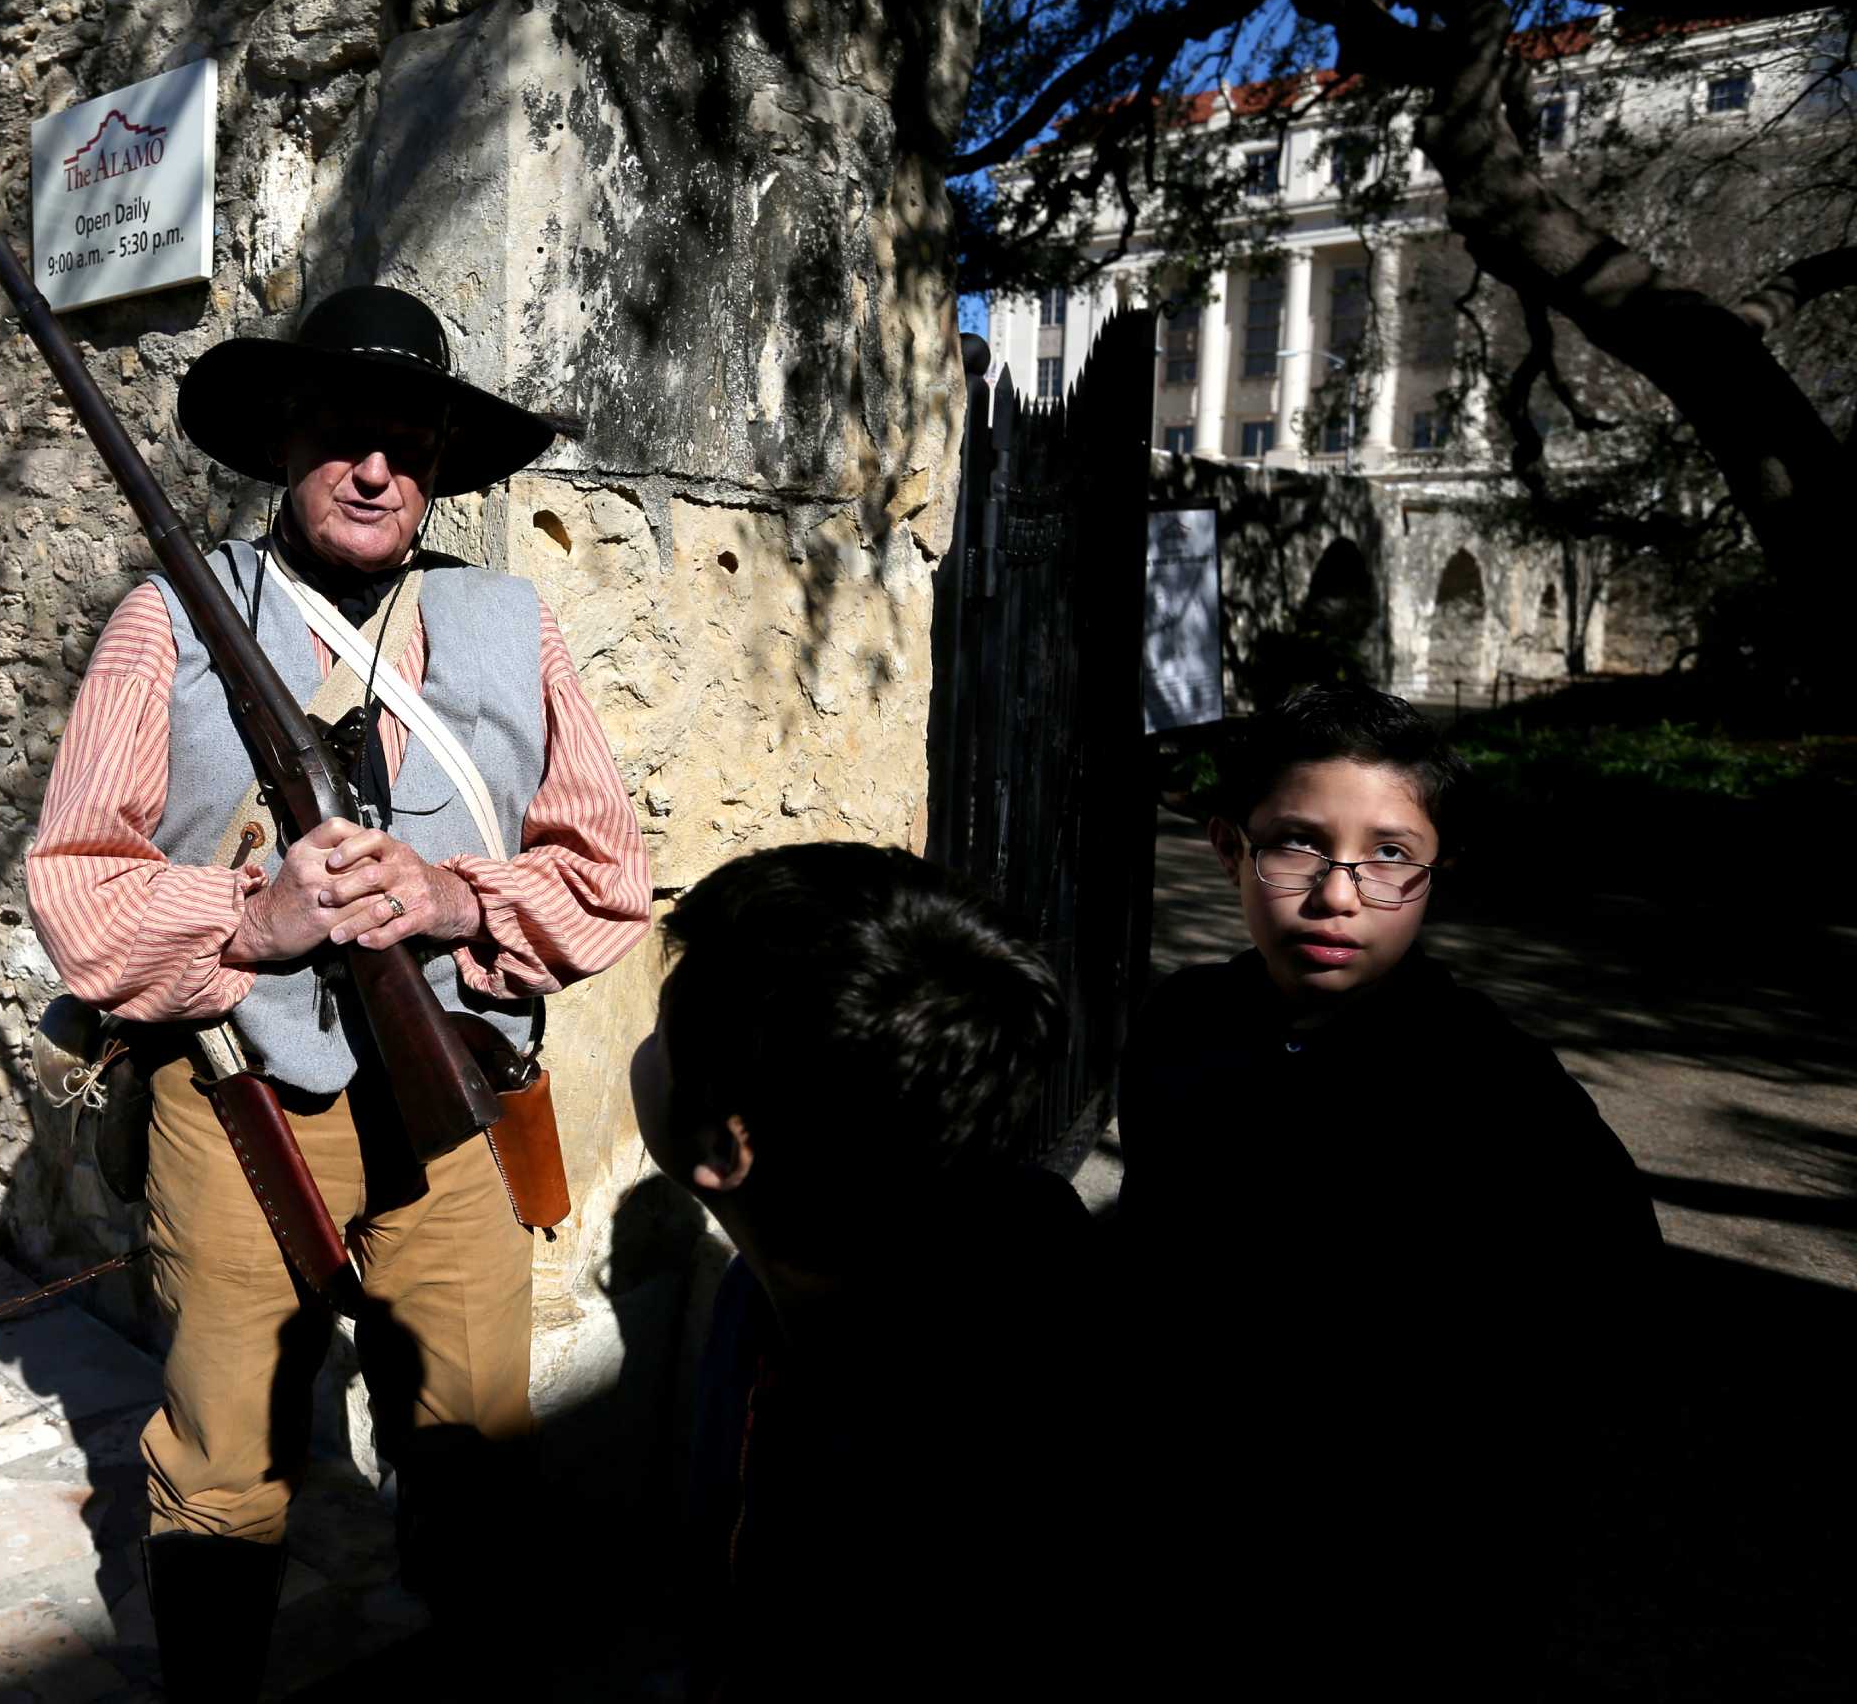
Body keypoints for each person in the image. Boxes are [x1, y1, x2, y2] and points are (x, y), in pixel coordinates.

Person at [26, 285, 650, 1694]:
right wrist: (250, 918)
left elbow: (608, 872)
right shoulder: (165, 621)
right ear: (281, 444)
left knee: (473, 1443)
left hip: (459, 1109)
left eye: (408, 444)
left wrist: (454, 898)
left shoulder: (511, 621)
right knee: (224, 1465)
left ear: (437, 467)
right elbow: (77, 884)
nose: (375, 469)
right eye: (342, 436)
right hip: (239, 1106)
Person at [1120, 684, 1661, 1694]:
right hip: (1183, 1550)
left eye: (1388, 855)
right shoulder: (1181, 1027)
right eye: (1297, 844)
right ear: (1229, 847)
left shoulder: (1498, 1092)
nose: (1338, 895)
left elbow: (1609, 1317)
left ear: (1435, 872)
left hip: (1402, 1585)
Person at [629, 842, 1107, 1702]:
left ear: (722, 1148)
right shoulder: (772, 1289)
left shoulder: (908, 1489)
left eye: (662, 1035)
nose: (647, 1049)